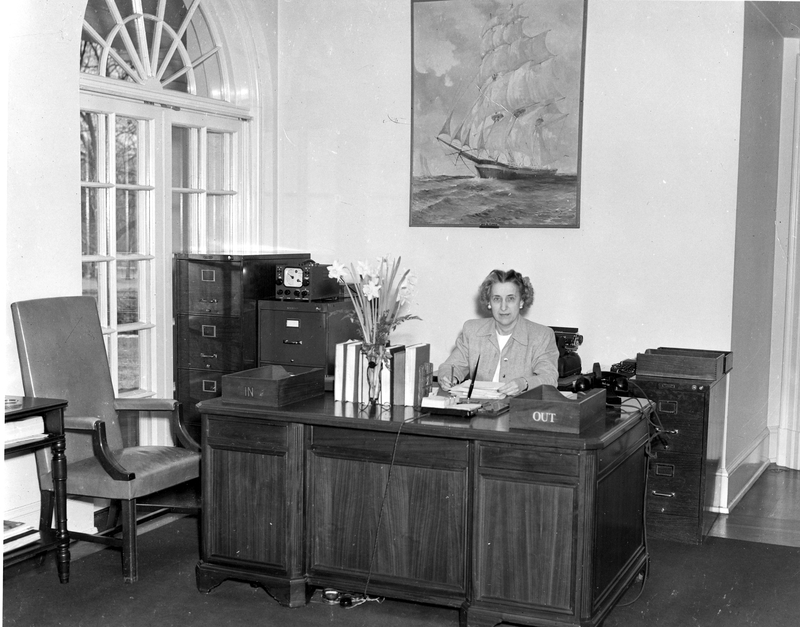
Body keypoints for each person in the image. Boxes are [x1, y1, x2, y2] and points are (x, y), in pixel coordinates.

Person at [437, 269, 559, 396]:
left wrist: (524, 383)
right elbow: (450, 366)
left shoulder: (541, 335)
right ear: (489, 302)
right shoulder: (472, 330)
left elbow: (549, 377)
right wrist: (448, 378)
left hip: (519, 410)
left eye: (510, 299)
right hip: (478, 408)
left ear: (521, 301)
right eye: (496, 299)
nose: (503, 307)